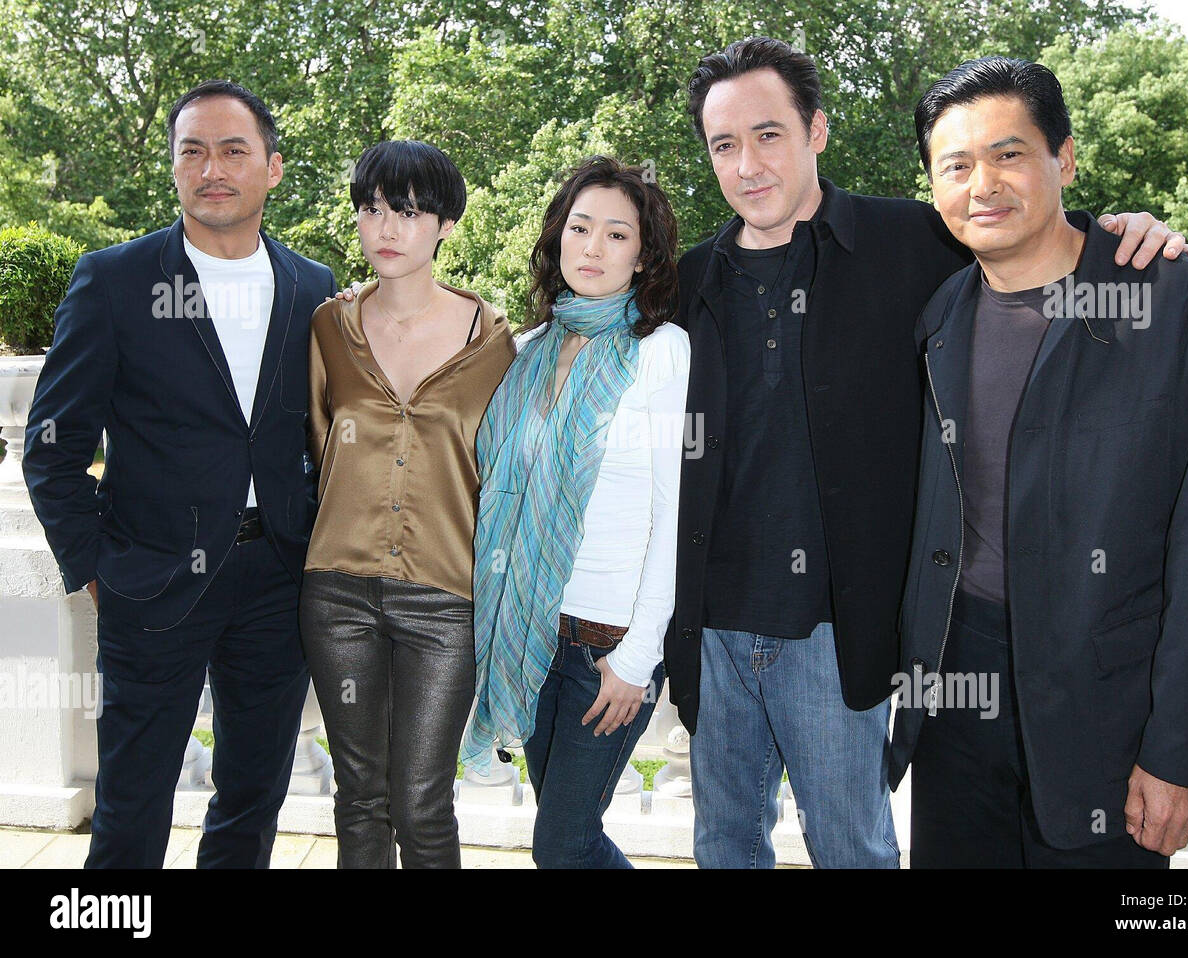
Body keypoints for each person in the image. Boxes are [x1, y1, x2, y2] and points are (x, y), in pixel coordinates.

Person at [666, 36, 1188, 869]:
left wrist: (1127, 232)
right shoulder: (687, 279)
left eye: (769, 134)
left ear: (817, 132)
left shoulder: (915, 239)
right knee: (724, 850)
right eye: (723, 144)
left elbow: (1029, 237)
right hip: (713, 630)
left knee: (855, 853)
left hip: (838, 638)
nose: (747, 164)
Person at [890, 55, 1188, 868]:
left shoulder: (1179, 304)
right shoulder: (941, 314)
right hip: (957, 696)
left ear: (1063, 158)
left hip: (1111, 707)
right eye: (954, 165)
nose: (981, 183)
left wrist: (1184, 751)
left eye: (1009, 153)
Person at [23, 80, 336, 868]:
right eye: (191, 150)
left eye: (234, 149)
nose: (212, 168)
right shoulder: (116, 280)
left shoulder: (314, 288)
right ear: (174, 169)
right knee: (131, 807)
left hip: (277, 577)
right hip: (150, 578)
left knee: (253, 799)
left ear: (273, 167)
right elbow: (52, 448)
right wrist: (95, 567)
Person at [462, 155, 689, 868]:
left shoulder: (661, 351)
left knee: (560, 846)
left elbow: (673, 517)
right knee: (570, 839)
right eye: (580, 227)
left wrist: (636, 659)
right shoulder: (522, 352)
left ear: (644, 254)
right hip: (528, 635)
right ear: (557, 237)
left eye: (617, 235)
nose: (593, 247)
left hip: (606, 649)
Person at [300, 140, 515, 867]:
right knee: (359, 795)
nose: (386, 229)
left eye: (408, 211)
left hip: (445, 599)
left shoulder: (496, 343)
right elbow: (321, 443)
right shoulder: (331, 328)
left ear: (447, 224)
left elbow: (502, 473)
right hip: (337, 592)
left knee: (422, 799)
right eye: (371, 210)